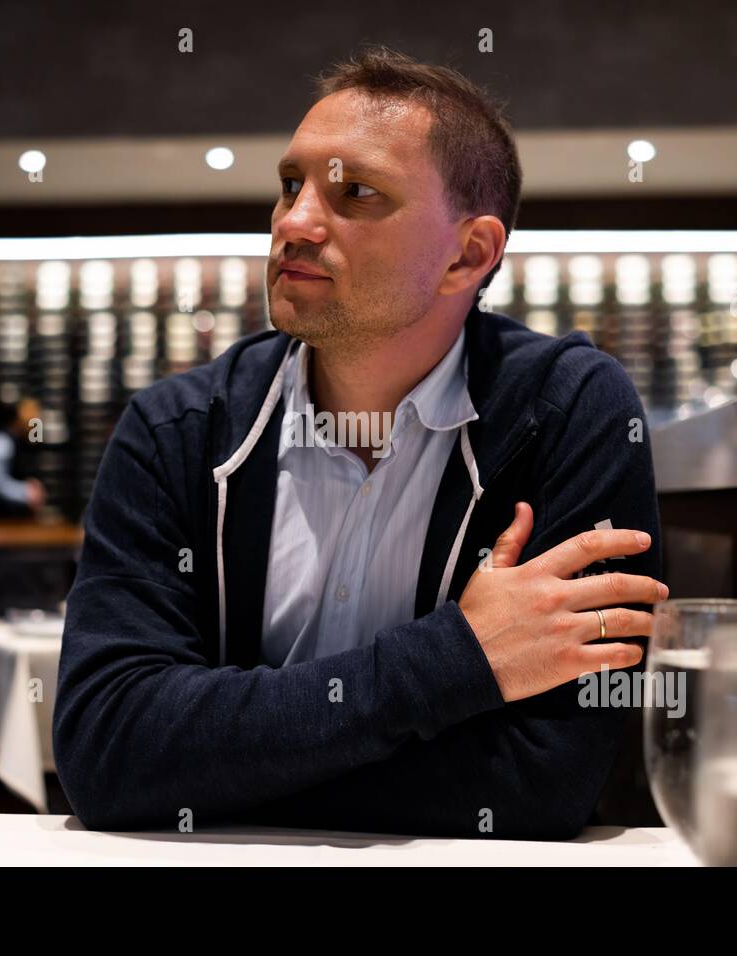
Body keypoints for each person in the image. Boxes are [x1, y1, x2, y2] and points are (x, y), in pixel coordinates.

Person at [54, 47, 667, 839]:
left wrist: (226, 762)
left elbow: (546, 782)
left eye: (355, 193)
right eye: (290, 185)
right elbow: (109, 753)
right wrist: (460, 659)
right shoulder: (176, 430)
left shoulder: (569, 411)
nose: (294, 223)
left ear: (468, 254)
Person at [0, 397, 46, 524]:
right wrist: (26, 492)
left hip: (16, 518)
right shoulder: (0, 443)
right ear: (19, 415)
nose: (36, 420)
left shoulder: (23, 440)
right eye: (32, 416)